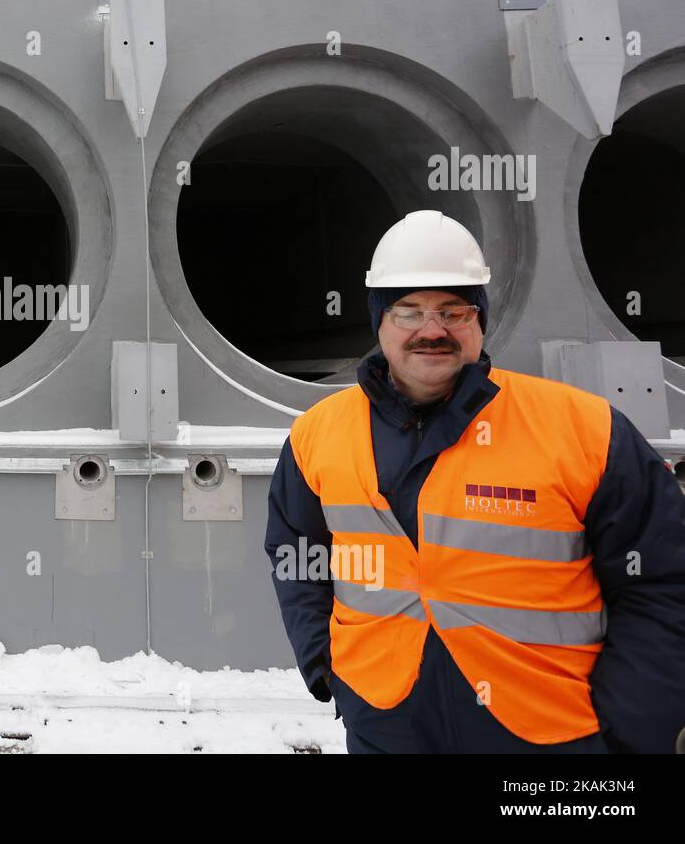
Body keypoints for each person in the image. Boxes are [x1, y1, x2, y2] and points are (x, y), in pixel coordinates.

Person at [264, 209, 685, 753]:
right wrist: (328, 666)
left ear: (479, 321)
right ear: (380, 323)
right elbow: (296, 553)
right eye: (409, 311)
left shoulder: (585, 429)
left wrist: (628, 725)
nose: (431, 330)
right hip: (386, 729)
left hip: (551, 738)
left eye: (453, 310)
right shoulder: (317, 434)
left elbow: (663, 583)